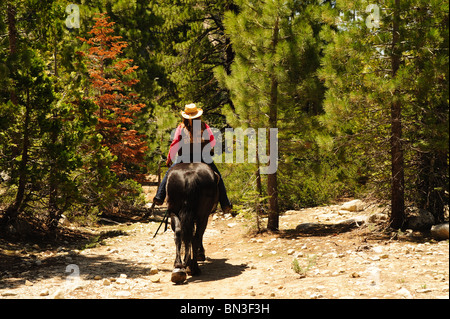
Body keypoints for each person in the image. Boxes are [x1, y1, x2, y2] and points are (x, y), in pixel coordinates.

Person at [153, 103, 233, 214]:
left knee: (169, 173)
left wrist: (169, 158)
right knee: (218, 177)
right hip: (202, 157)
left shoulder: (181, 127)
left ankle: (159, 196)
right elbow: (212, 141)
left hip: (183, 157)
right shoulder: (204, 126)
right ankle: (225, 203)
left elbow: (175, 143)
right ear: (198, 116)